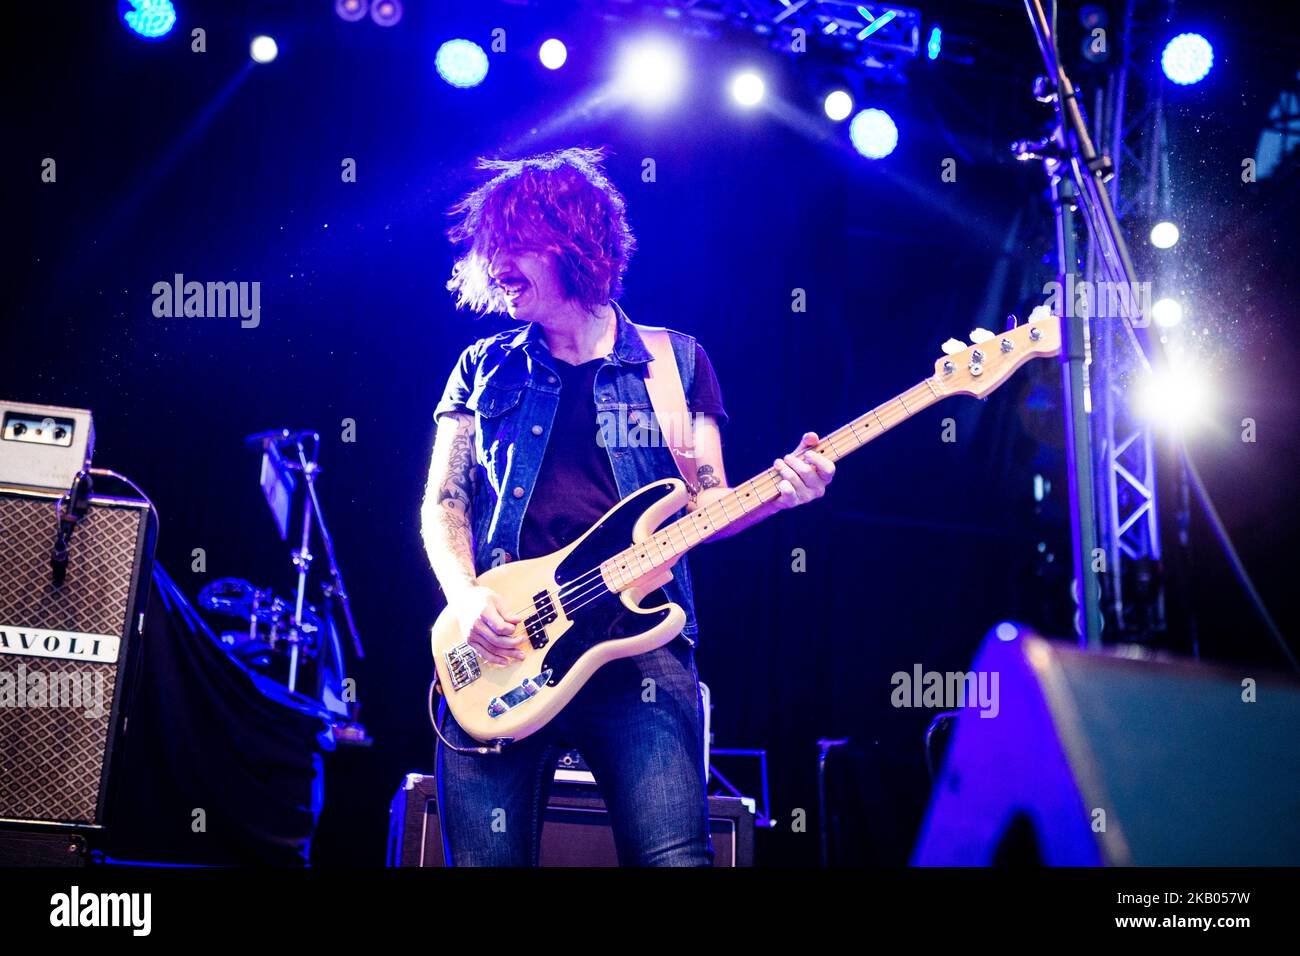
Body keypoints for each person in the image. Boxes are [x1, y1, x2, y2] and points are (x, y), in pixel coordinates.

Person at [421, 147, 834, 866]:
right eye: (492, 250)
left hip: (638, 645)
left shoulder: (673, 364)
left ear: (575, 244)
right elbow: (444, 500)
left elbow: (712, 505)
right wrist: (463, 600)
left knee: (674, 861)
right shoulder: (484, 365)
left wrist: (782, 494)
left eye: (514, 246)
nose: (496, 266)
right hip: (502, 643)